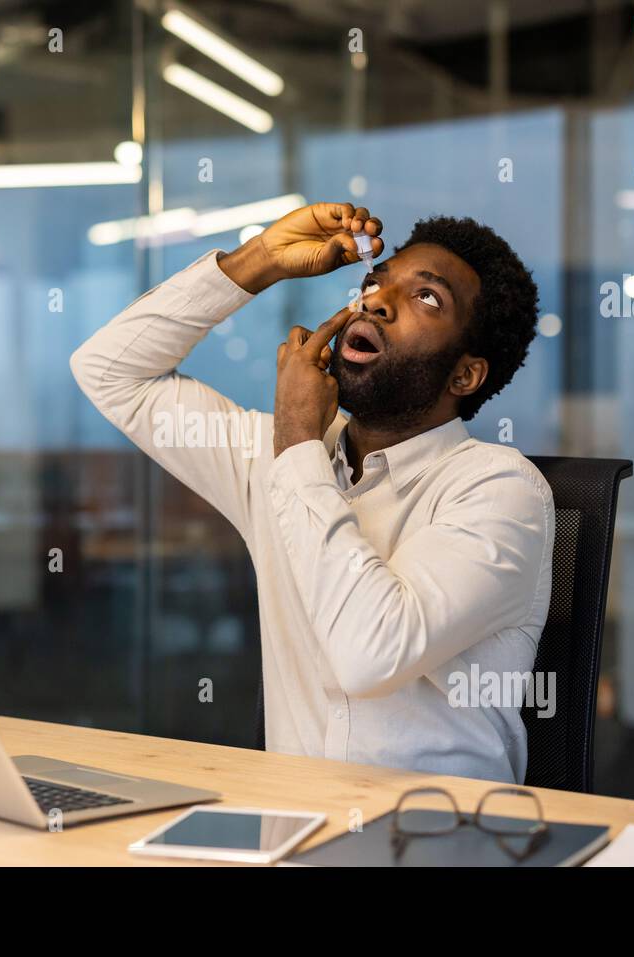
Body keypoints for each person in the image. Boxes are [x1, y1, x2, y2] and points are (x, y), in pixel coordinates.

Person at [71, 202, 554, 783]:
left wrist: (298, 441)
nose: (374, 299)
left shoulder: (500, 489)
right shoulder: (278, 453)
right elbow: (108, 371)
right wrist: (260, 262)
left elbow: (371, 654)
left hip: (433, 839)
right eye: (376, 280)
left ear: (465, 375)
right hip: (291, 830)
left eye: (426, 297)